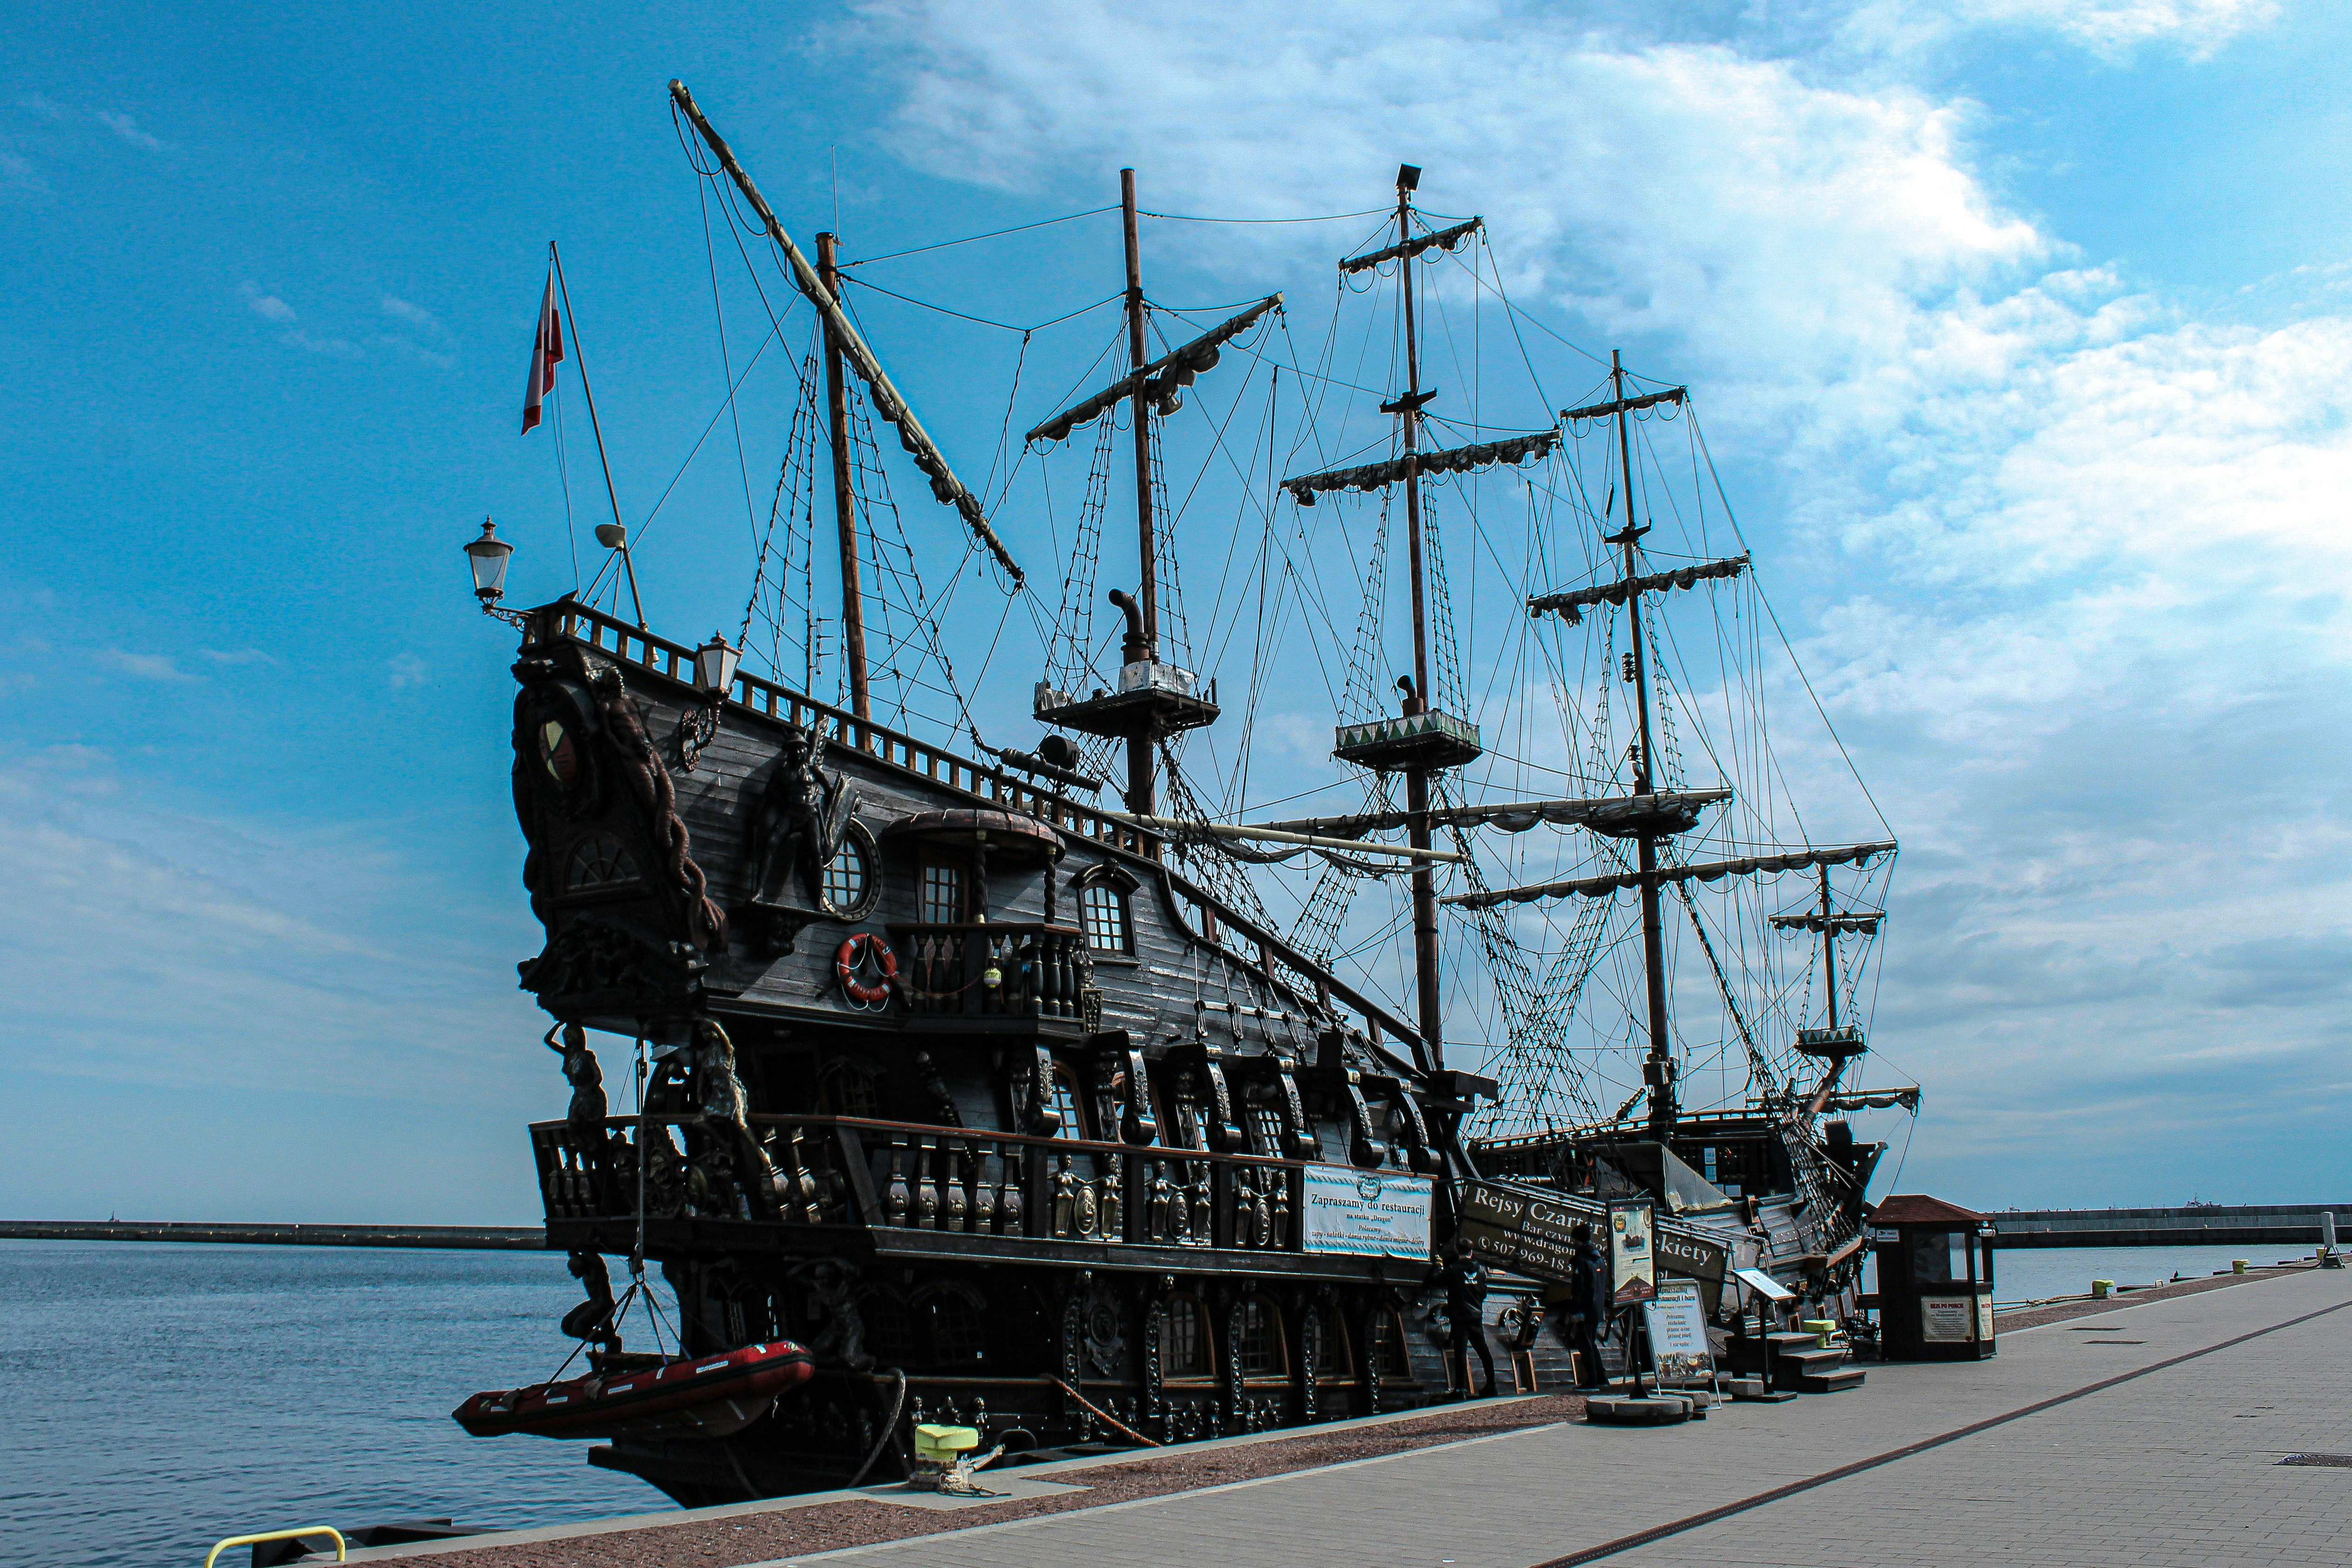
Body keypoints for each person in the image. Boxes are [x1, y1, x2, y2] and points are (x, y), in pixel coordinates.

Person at [1434, 1239, 1496, 1397]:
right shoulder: (1482, 1271)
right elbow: (1483, 1294)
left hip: (1459, 1316)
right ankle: (1492, 1385)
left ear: (1457, 1251)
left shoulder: (1453, 1269)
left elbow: (1436, 1281)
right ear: (1471, 1251)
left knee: (1460, 1352)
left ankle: (1460, 1389)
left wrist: (1437, 1265)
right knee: (1483, 1351)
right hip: (1476, 1316)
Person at [1561, 1221, 1612, 1390]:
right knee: (1592, 1342)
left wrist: (1575, 1311)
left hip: (1585, 1309)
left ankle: (1591, 1379)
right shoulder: (1598, 1259)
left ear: (1577, 1240)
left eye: (1574, 1240)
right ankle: (1602, 1377)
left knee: (1584, 1344)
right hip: (1597, 1308)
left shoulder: (1581, 1261)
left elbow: (1579, 1289)